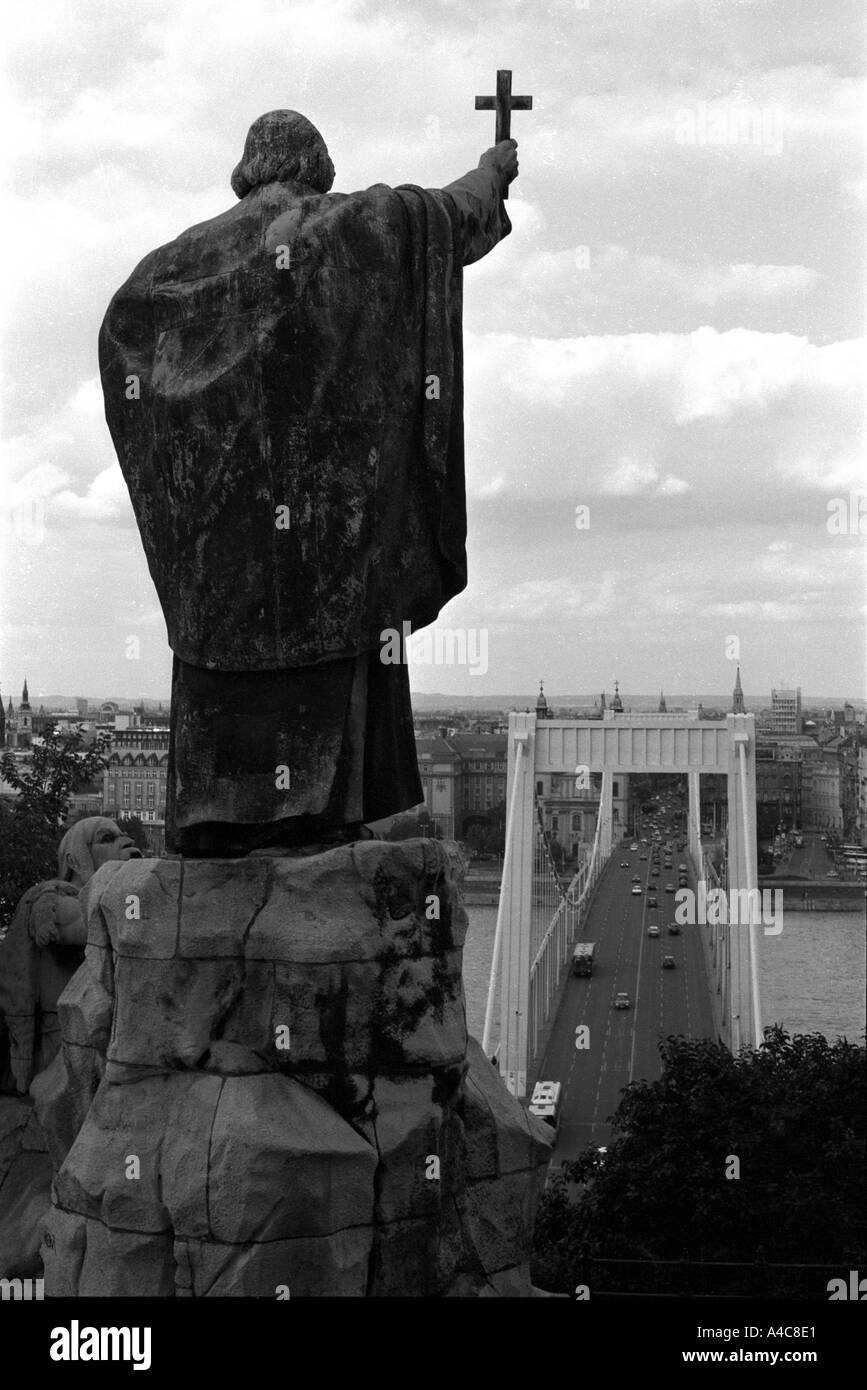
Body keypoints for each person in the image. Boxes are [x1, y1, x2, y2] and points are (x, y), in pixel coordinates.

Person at [99, 110, 519, 856]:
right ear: (317, 167)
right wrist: (494, 171)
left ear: (246, 169)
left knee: (225, 699)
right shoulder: (351, 227)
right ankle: (322, 826)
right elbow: (444, 217)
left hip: (219, 581)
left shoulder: (167, 269)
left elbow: (124, 353)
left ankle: (217, 828)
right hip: (328, 554)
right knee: (333, 699)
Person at [0, 818, 141, 1093]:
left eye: (124, 835)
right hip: (58, 1047)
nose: (127, 841)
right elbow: (96, 923)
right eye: (107, 838)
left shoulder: (120, 902)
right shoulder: (48, 899)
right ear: (75, 859)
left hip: (99, 1038)